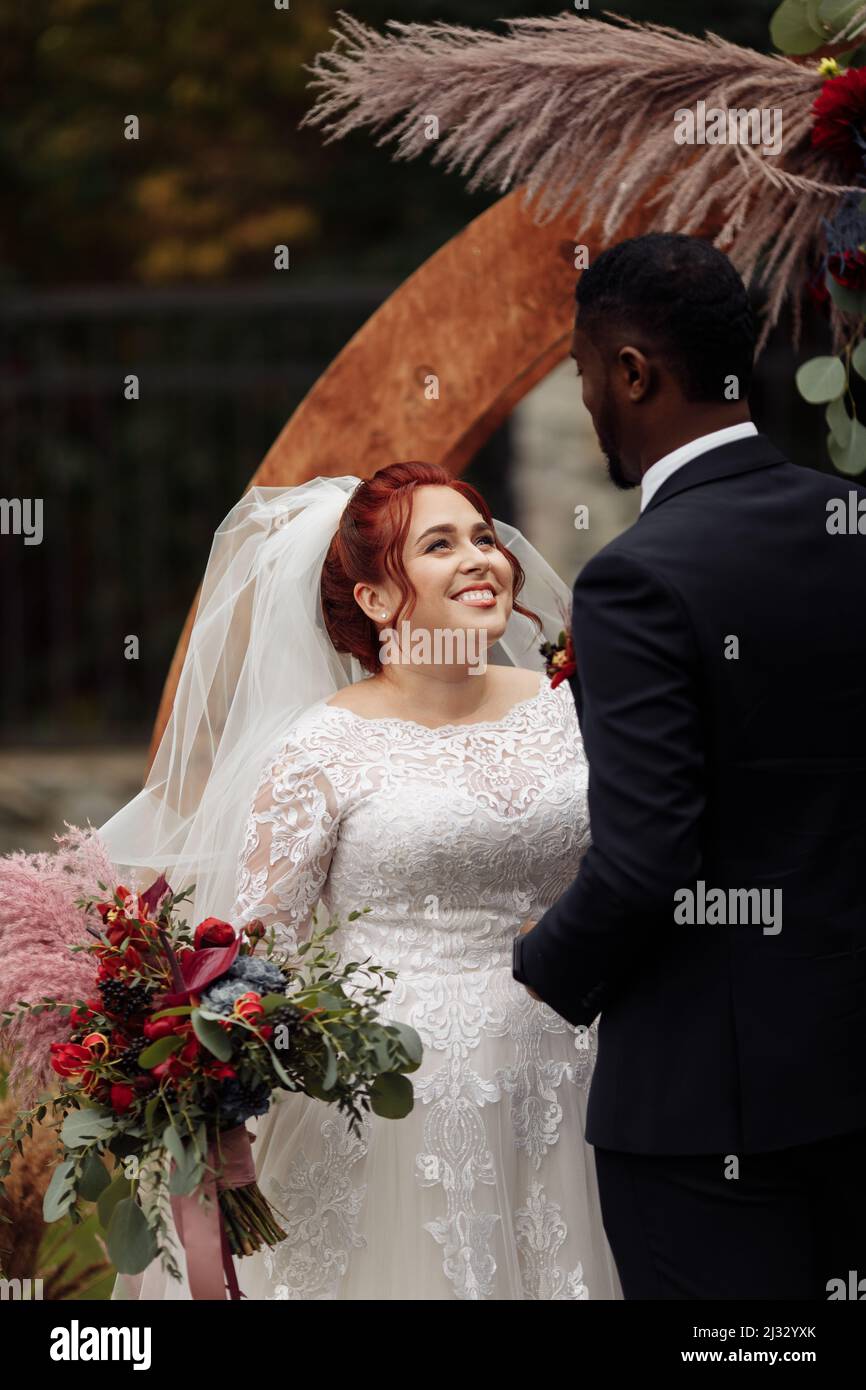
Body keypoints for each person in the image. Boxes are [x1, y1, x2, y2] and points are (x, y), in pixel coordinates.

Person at [103, 461, 621, 1301]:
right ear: (377, 601)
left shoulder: (569, 705)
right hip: (392, 1107)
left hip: (576, 1078)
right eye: (440, 544)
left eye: (484, 537)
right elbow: (248, 955)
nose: (480, 559)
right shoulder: (323, 749)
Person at [514, 232, 866, 1300]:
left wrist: (541, 965)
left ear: (629, 371)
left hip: (709, 1115)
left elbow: (643, 860)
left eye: (582, 374)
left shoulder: (638, 580)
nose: (585, 403)